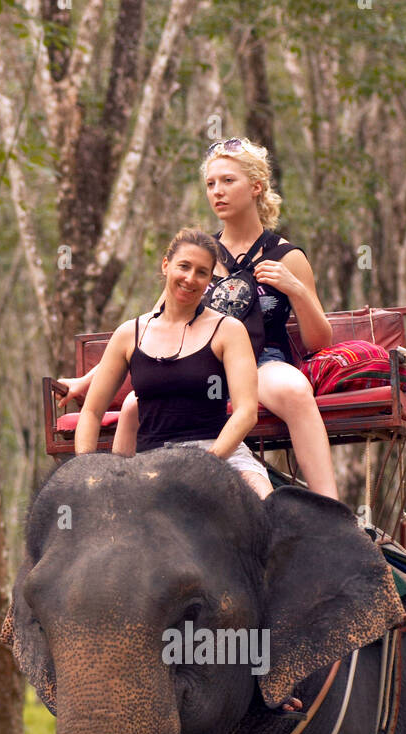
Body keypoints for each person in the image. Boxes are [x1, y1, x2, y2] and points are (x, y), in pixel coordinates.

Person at [61, 138, 339, 499]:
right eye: (210, 184)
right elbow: (156, 326)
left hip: (258, 363)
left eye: (228, 181)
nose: (217, 192)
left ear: (256, 187)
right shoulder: (200, 254)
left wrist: (296, 289)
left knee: (295, 389)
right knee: (132, 405)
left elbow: (319, 341)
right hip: (197, 363)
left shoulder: (286, 255)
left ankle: (329, 507)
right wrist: (89, 379)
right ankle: (118, 503)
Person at [74, 227, 271, 498]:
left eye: (202, 272)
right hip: (151, 460)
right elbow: (92, 411)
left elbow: (246, 412)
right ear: (166, 265)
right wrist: (86, 470)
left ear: (209, 279)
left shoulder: (228, 330)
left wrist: (207, 463)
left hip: (219, 455)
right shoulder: (129, 334)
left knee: (265, 502)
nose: (190, 278)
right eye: (184, 266)